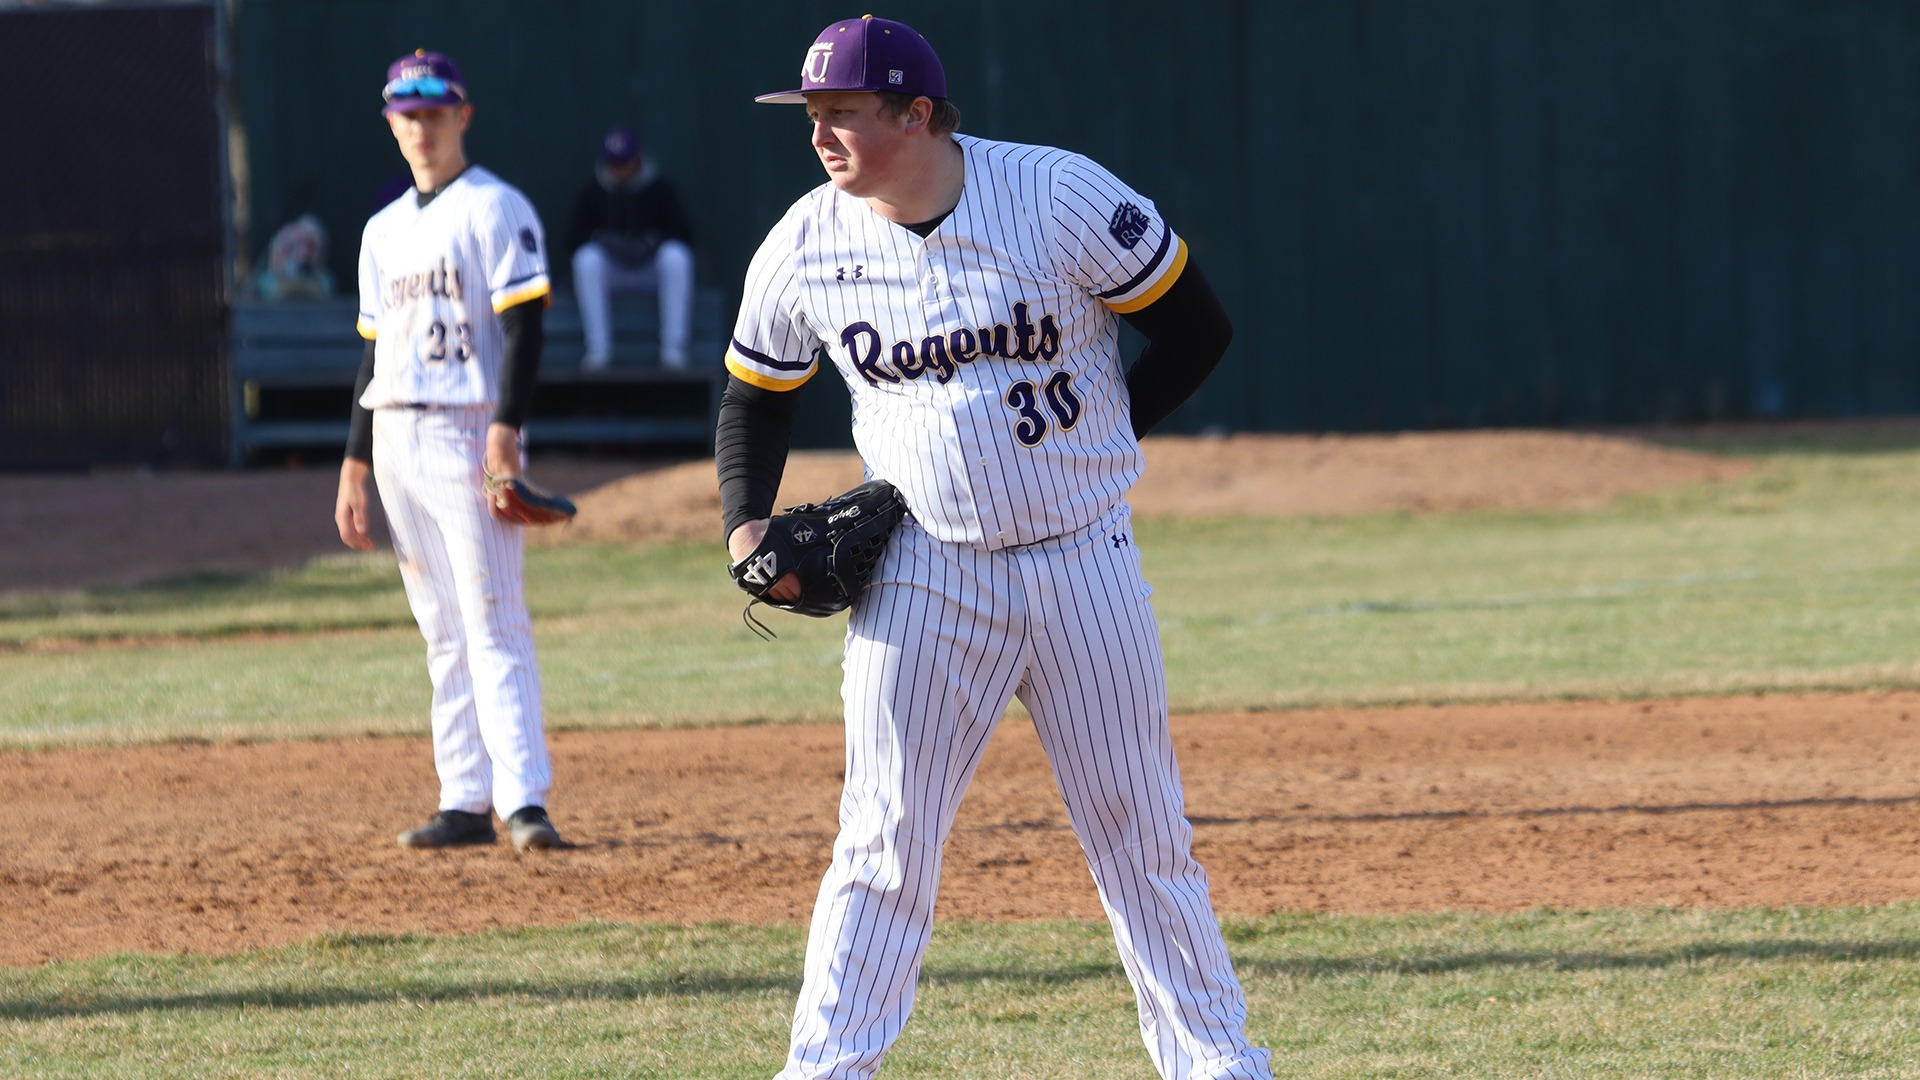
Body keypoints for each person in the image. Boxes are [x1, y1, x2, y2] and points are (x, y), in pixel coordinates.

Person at [719, 15, 1271, 1079]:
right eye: (812, 116)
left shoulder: (1056, 198)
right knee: (882, 842)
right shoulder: (806, 241)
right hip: (924, 571)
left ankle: (1218, 1064)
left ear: (916, 114)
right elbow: (755, 399)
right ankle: (826, 1068)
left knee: (1142, 840)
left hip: (1084, 559)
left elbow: (1199, 328)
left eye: (842, 113)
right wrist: (747, 523)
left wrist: (1107, 434)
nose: (821, 133)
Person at [333, 49, 564, 855]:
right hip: (395, 430)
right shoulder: (382, 230)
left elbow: (525, 324)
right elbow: (372, 352)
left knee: (493, 615)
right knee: (441, 627)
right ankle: (464, 799)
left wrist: (506, 426)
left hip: (471, 426)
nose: (421, 125)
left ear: (461, 115)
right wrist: (355, 463)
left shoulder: (496, 207)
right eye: (407, 112)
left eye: (434, 111)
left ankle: (524, 799)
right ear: (391, 122)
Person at [566, 126, 696, 369]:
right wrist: (605, 239)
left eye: (625, 161)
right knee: (587, 259)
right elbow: (574, 239)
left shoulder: (659, 189)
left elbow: (683, 234)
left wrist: (651, 242)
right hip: (614, 273)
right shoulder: (593, 192)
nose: (620, 169)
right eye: (614, 163)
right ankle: (598, 350)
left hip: (650, 272)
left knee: (676, 257)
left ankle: (673, 350)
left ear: (638, 158)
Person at [251, 214, 334, 301]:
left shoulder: (325, 280)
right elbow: (273, 291)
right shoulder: (266, 281)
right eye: (292, 245)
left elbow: (322, 291)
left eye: (308, 245)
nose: (300, 251)